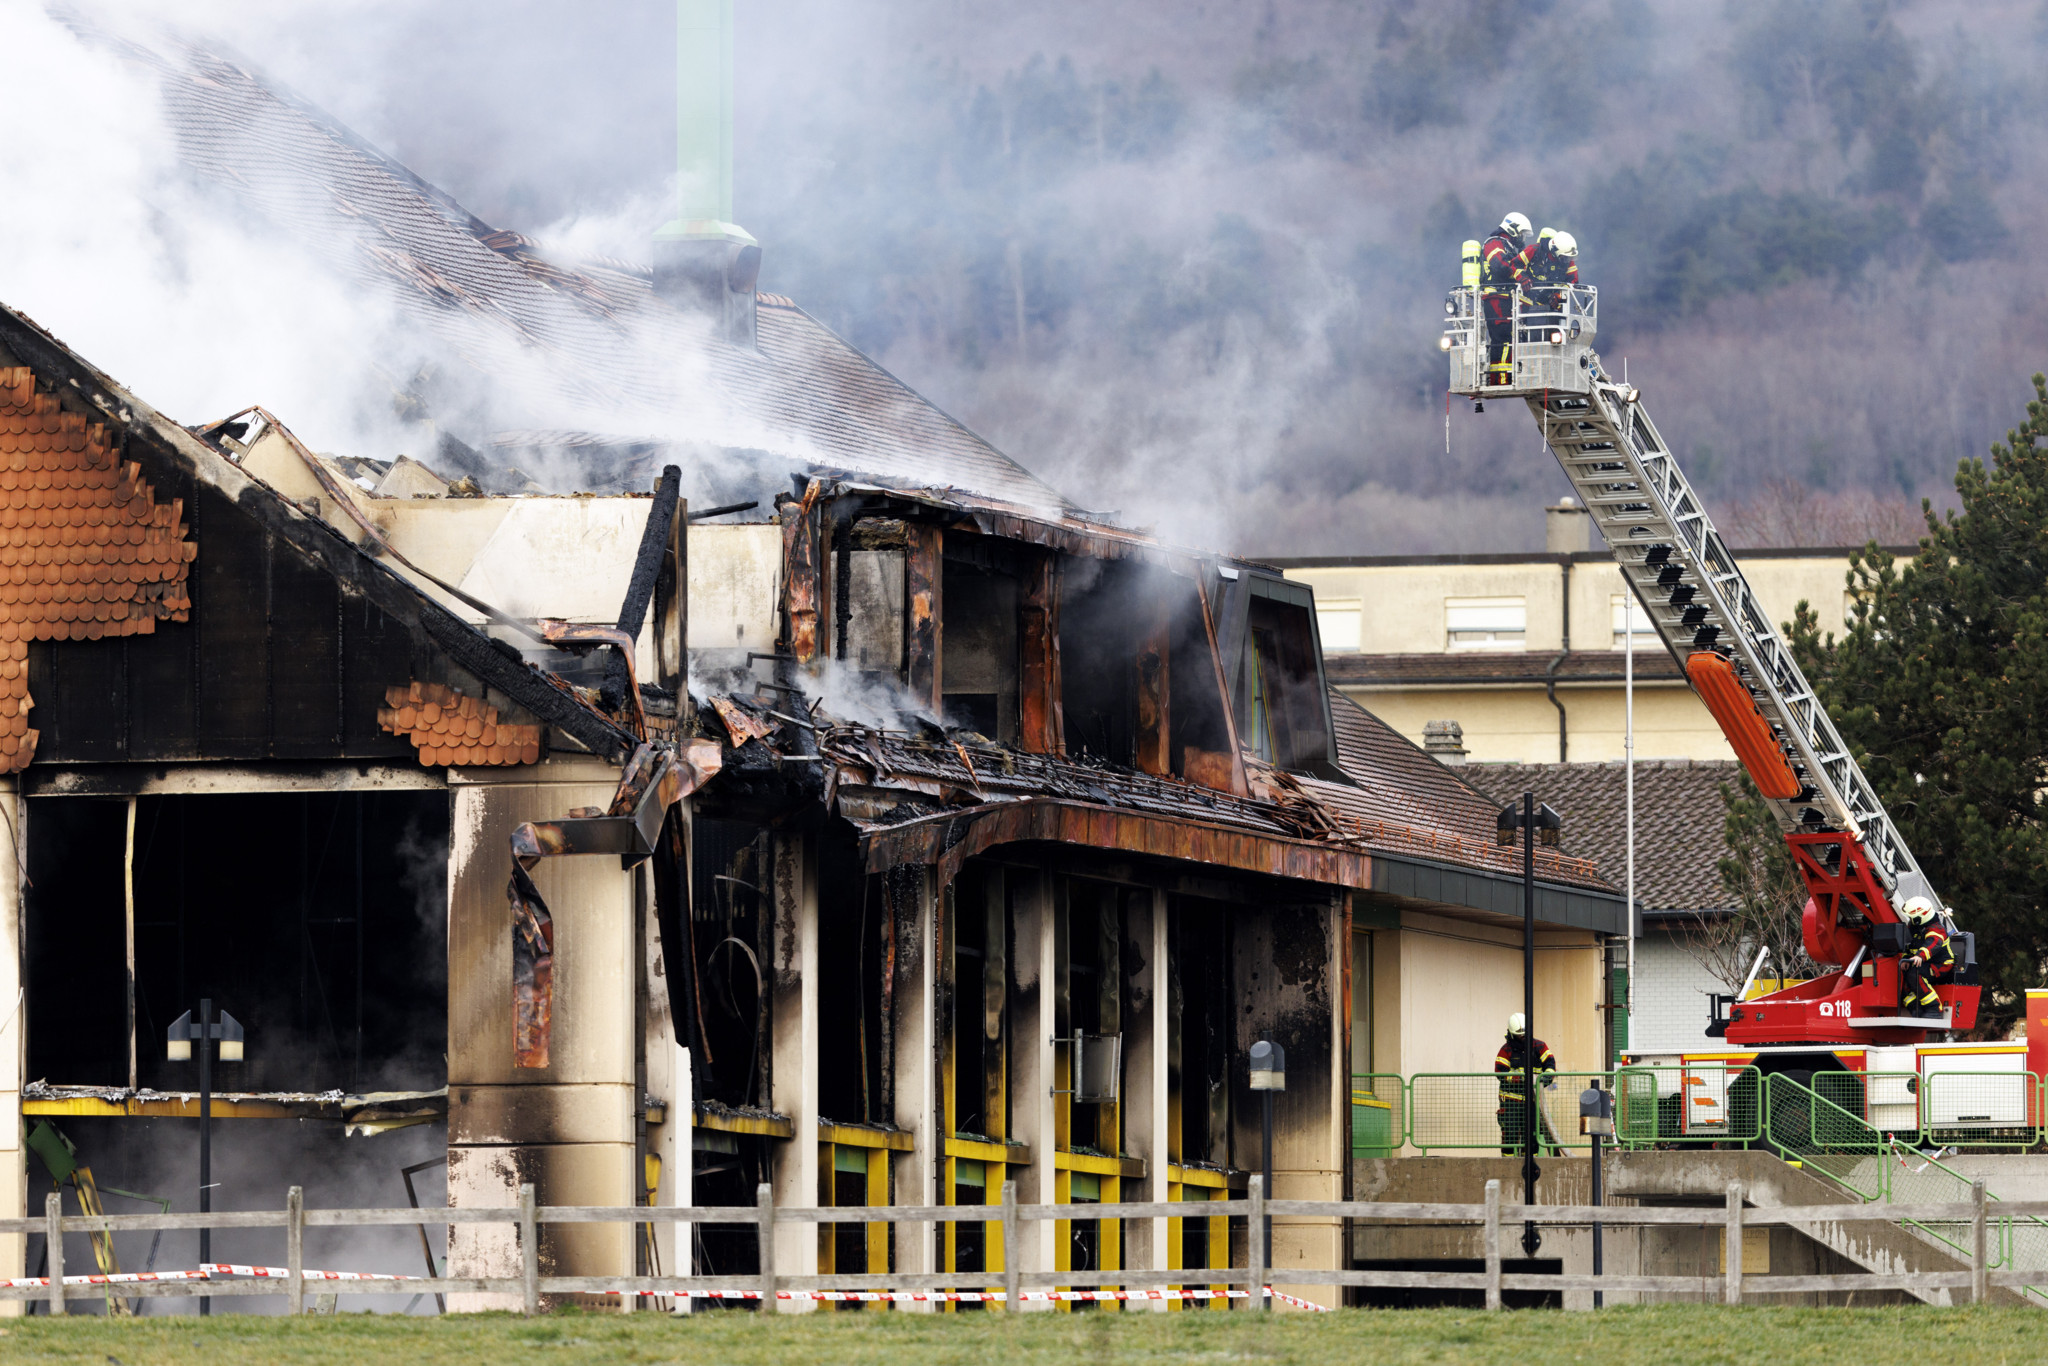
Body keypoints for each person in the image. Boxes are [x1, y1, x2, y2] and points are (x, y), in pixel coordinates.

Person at [1494, 1012, 1558, 1155]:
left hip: (1533, 1101)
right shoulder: (1506, 1050)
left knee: (1532, 1139)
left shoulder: (1539, 1047)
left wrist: (1544, 1079)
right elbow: (1500, 1072)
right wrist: (1521, 1078)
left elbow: (1550, 1064)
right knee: (1510, 1137)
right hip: (1511, 1102)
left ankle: (1529, 1164)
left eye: (1525, 1034)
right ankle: (1507, 1165)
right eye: (1520, 1035)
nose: (1523, 1037)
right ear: (1512, 1034)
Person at [1479, 212, 1531, 374]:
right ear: (1513, 229)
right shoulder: (1494, 243)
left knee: (1509, 338)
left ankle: (1507, 376)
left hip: (1506, 299)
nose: (1522, 238)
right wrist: (1519, 275)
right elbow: (1500, 265)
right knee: (1502, 339)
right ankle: (1501, 379)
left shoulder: (1508, 247)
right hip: (1496, 298)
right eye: (1521, 234)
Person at [1899, 896, 1956, 1018]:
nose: (1910, 920)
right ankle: (1915, 1009)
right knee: (1899, 978)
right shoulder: (1914, 927)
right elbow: (1909, 945)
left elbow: (1933, 944)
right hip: (1924, 962)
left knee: (1914, 974)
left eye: (1912, 917)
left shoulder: (1937, 929)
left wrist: (1920, 956)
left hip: (1941, 964)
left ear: (1920, 918)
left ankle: (1934, 1008)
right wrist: (1906, 958)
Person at [1519, 229, 1580, 314]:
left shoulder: (1566, 258)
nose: (1567, 260)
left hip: (1553, 306)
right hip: (1528, 302)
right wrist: (1523, 278)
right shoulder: (1534, 250)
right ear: (1555, 251)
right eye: (1564, 257)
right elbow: (1515, 264)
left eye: (1569, 258)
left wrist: (1559, 295)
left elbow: (1573, 281)